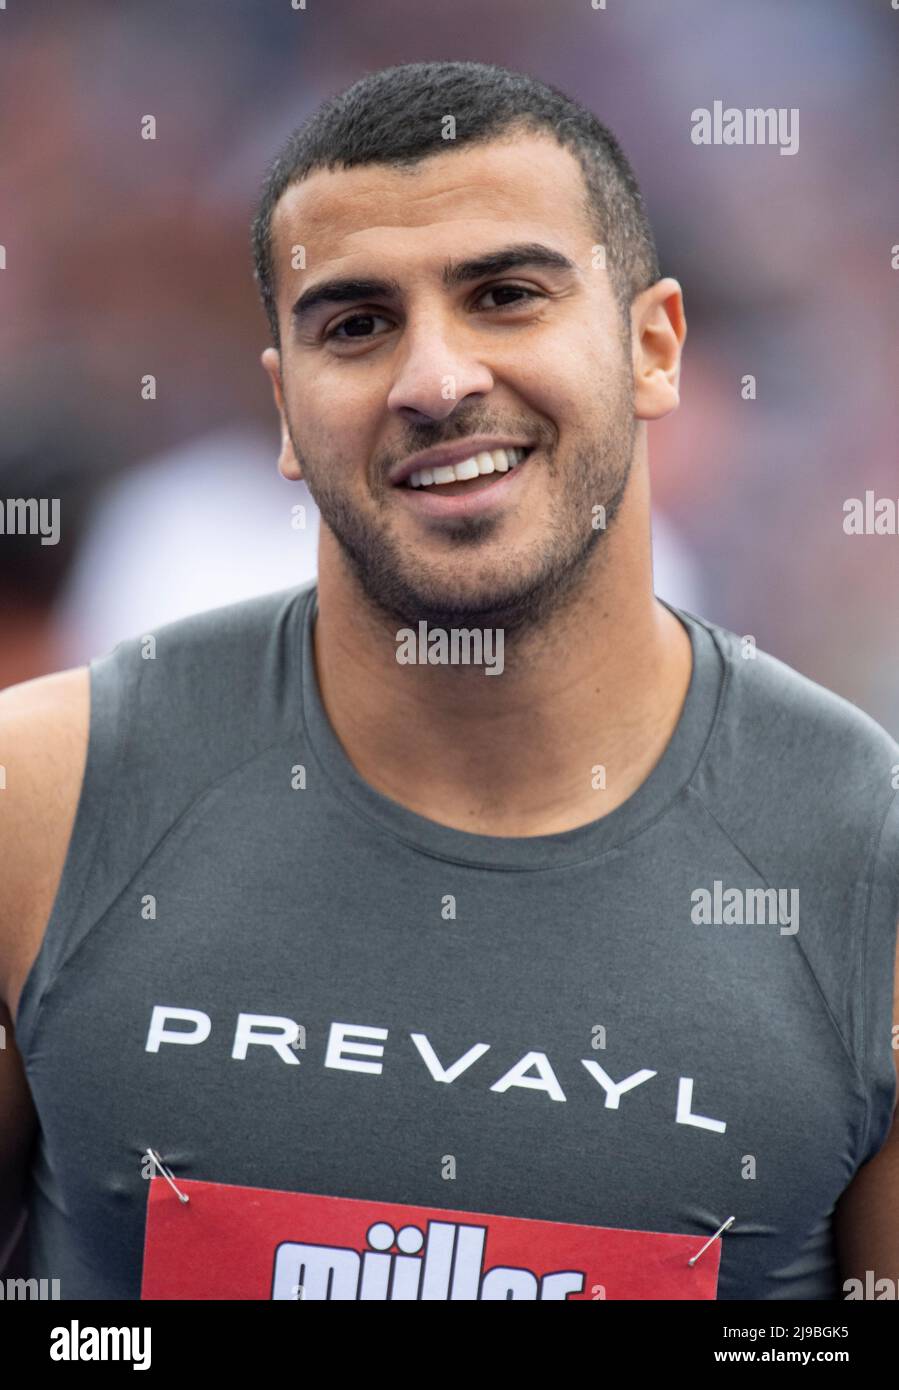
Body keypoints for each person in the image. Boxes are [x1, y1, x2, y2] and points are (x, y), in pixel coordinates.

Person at [1, 60, 897, 1302]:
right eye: (355, 324)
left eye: (506, 294)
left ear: (652, 344)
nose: (434, 380)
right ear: (282, 405)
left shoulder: (866, 864)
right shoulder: (39, 799)